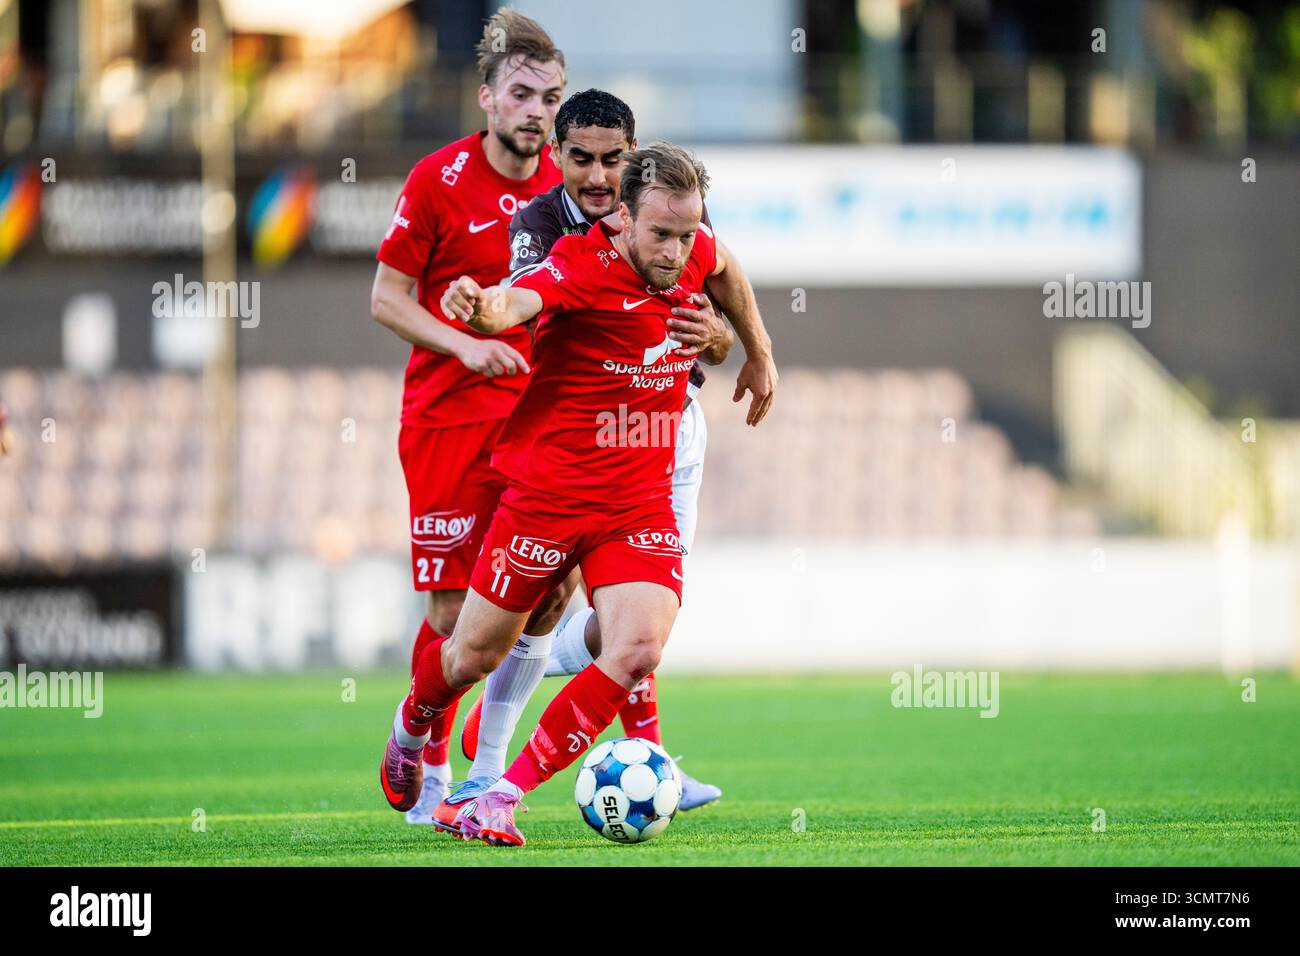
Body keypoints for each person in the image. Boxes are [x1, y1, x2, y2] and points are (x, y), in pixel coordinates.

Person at [383, 143, 740, 846]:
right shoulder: (578, 262)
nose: (676, 251)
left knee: (639, 645)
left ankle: (500, 796)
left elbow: (732, 273)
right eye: (661, 234)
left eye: (687, 233)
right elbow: (516, 301)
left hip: (636, 500)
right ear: (622, 219)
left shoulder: (697, 251)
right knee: (472, 655)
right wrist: (479, 311)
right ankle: (413, 720)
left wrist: (747, 346)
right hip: (548, 498)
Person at [369, 8, 569, 819]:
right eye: (521, 95)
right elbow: (385, 299)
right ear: (487, 98)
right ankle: (426, 760)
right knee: (456, 614)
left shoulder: (572, 185)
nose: (537, 112)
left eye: (550, 98)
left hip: (541, 424)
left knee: (546, 598)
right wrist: (462, 342)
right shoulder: (438, 181)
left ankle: (487, 770)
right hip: (450, 418)